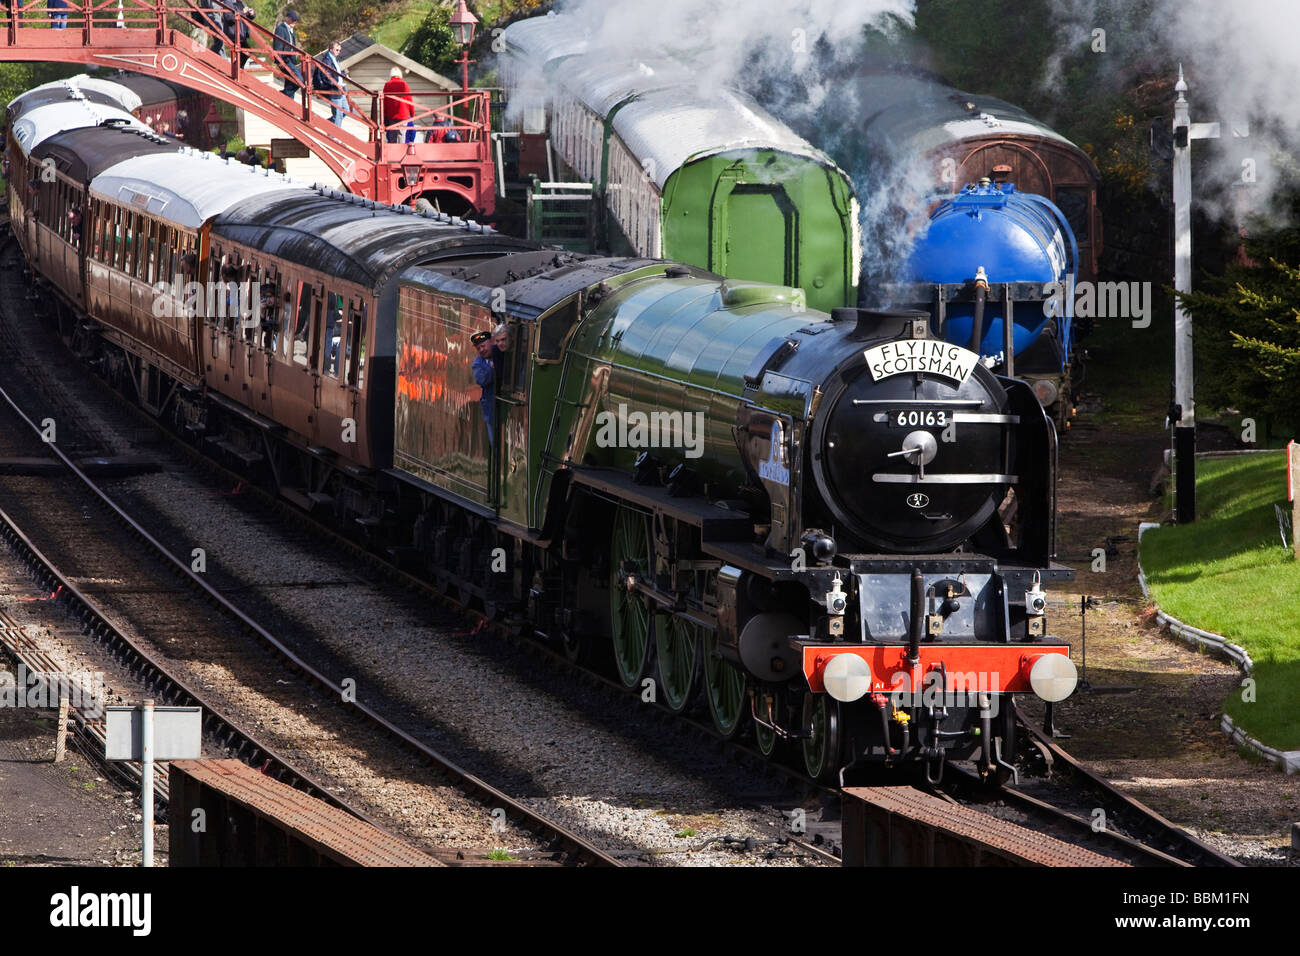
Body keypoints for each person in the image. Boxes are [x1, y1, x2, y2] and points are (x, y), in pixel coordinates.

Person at [313, 41, 348, 126]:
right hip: (334, 89)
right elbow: (326, 76)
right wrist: (335, 84)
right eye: (337, 50)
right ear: (331, 49)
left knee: (346, 110)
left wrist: (344, 75)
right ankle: (334, 136)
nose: (338, 52)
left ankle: (325, 125)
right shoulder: (327, 60)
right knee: (338, 114)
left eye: (340, 50)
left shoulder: (334, 59)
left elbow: (336, 73)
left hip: (340, 89)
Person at [273, 10, 303, 100]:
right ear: (287, 18)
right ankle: (284, 94)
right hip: (285, 60)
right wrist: (279, 60)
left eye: (295, 20)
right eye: (293, 19)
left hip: (290, 60)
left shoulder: (290, 29)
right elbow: (277, 45)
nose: (295, 22)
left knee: (290, 82)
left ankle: (288, 108)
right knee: (299, 80)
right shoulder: (281, 28)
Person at [471, 330, 495, 444]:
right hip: (490, 408)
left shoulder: (499, 354)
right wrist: (494, 368)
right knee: (494, 441)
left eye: (483, 346)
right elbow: (482, 380)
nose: (481, 350)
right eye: (478, 348)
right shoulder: (477, 364)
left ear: (491, 342)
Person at [382, 67, 413, 144]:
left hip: (391, 114)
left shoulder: (387, 85)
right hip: (403, 115)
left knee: (392, 135)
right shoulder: (404, 84)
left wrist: (384, 115)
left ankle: (393, 153)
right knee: (401, 135)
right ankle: (400, 153)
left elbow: (384, 101)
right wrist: (412, 114)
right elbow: (409, 100)